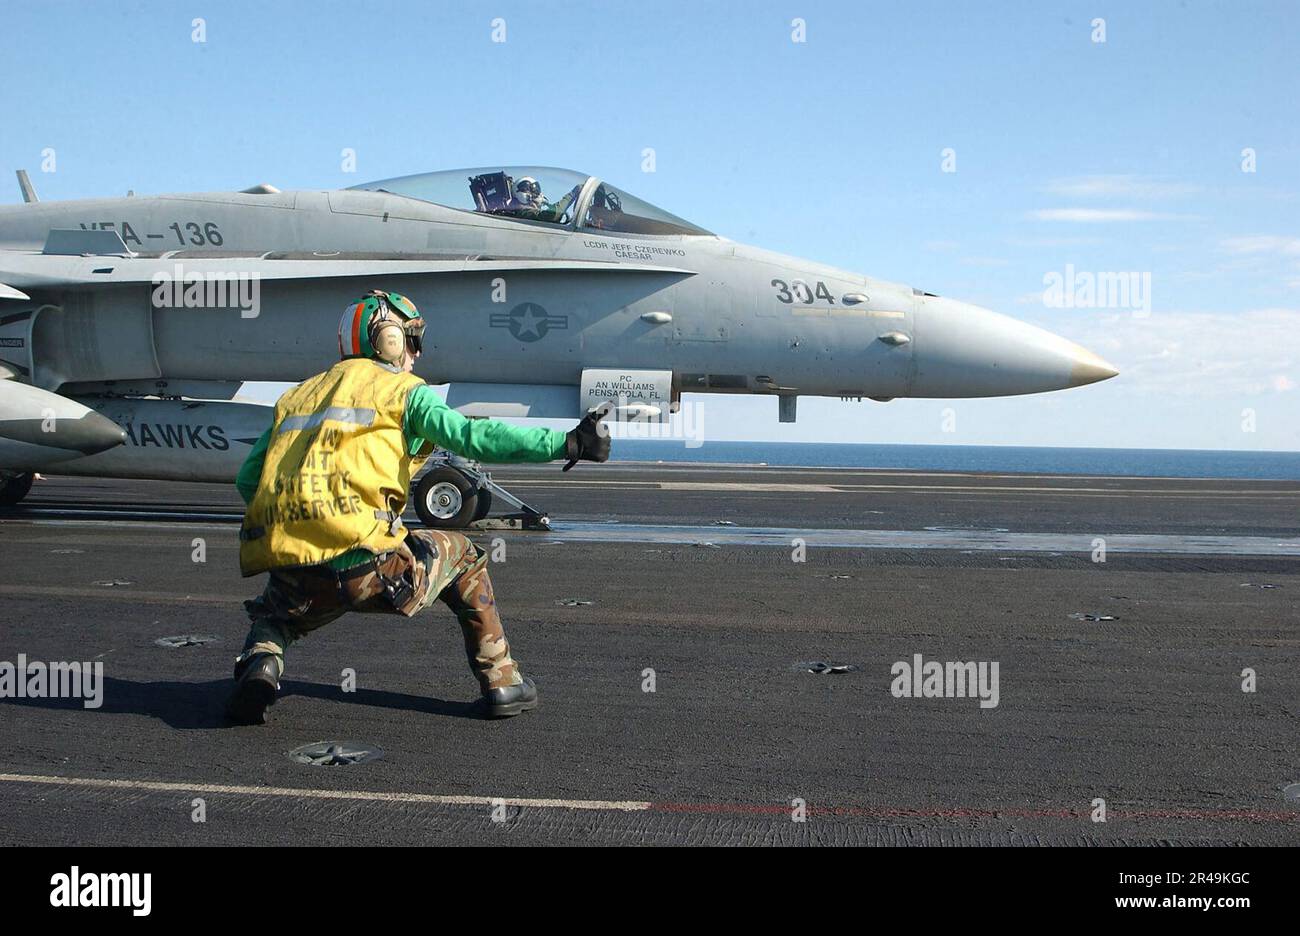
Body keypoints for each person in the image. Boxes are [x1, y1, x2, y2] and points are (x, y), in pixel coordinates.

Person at [226, 289, 610, 725]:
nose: (415, 353)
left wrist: (306, 524)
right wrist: (568, 442)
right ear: (388, 340)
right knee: (467, 557)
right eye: (412, 339)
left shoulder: (295, 398)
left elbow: (247, 480)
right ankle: (502, 682)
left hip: (302, 571)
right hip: (374, 575)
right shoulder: (405, 391)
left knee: (275, 615)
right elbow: (470, 438)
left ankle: (262, 666)